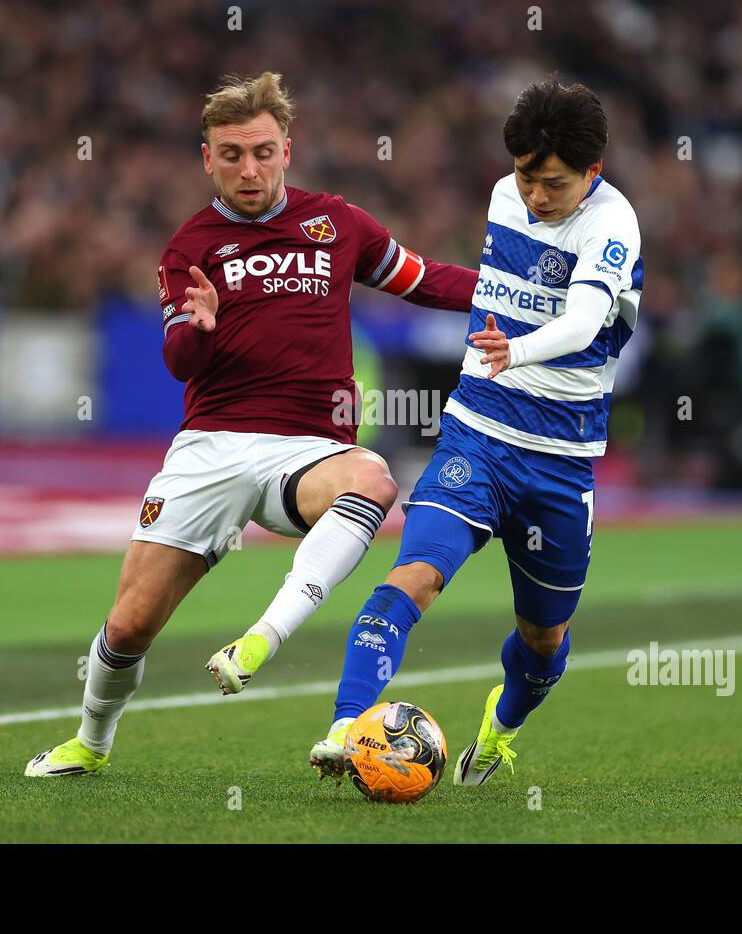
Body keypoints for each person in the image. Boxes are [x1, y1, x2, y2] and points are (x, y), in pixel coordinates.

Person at [25, 71, 476, 776]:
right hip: (212, 447)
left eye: (262, 151)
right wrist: (198, 329)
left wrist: (514, 297)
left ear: (286, 150)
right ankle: (92, 741)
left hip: (310, 452)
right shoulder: (190, 246)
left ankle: (262, 639)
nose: (249, 167)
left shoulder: (339, 224)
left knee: (375, 477)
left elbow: (426, 279)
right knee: (131, 624)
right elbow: (178, 360)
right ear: (208, 158)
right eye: (231, 153)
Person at [303, 79, 643, 785]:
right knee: (413, 577)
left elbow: (582, 323)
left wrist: (514, 350)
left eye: (552, 184)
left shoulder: (613, 224)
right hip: (478, 433)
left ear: (594, 173)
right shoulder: (502, 194)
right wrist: (498, 364)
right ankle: (347, 727)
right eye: (525, 175)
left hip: (560, 458)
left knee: (543, 642)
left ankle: (501, 725)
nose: (534, 196)